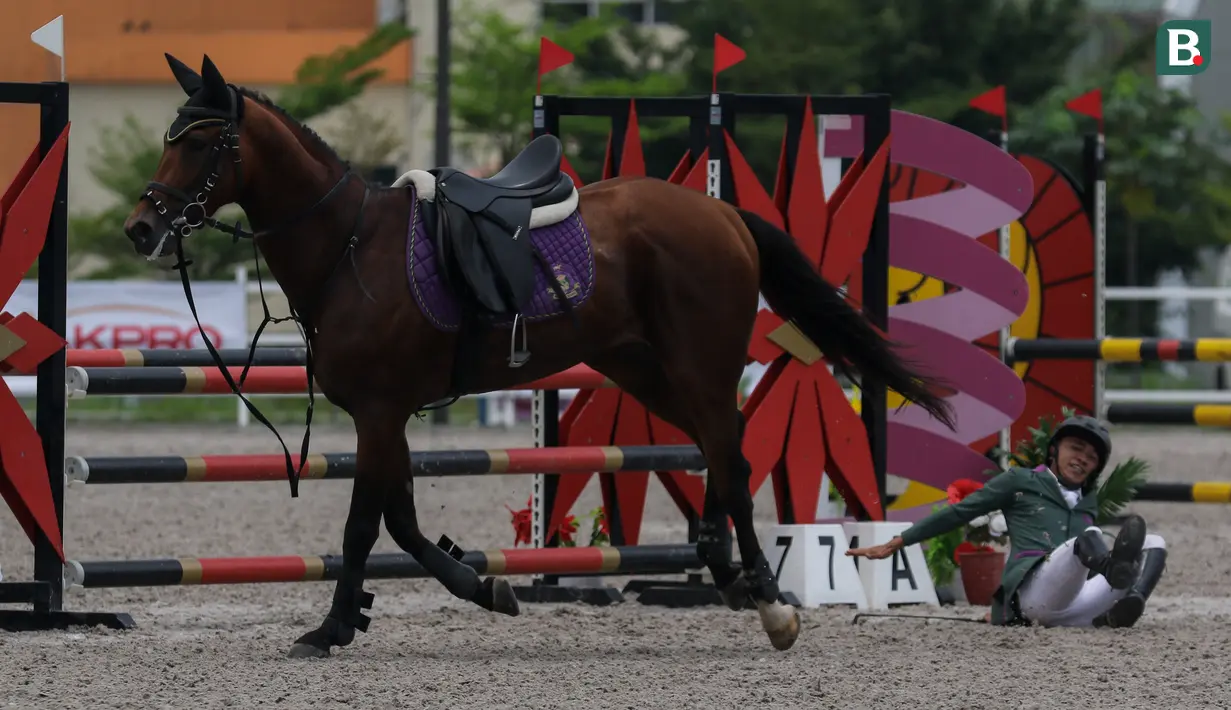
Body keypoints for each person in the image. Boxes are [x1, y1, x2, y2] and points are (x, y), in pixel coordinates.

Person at [846, 415, 1167, 628]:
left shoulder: (1089, 501)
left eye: (1092, 457)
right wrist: (898, 542)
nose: (1082, 458)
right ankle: (1117, 578)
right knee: (1090, 536)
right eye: (1076, 448)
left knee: (1155, 543)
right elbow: (961, 512)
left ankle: (1128, 602)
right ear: (1054, 450)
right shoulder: (1020, 480)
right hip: (1033, 599)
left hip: (1075, 606)